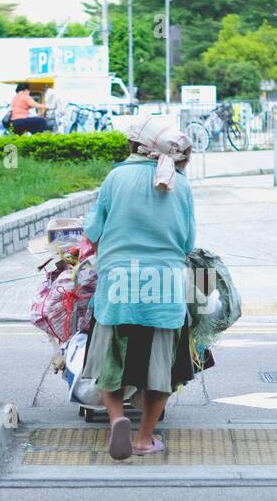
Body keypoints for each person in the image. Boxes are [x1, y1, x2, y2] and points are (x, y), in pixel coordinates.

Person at [81, 116, 197, 461]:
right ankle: (145, 438)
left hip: (118, 283)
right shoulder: (182, 184)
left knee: (109, 361)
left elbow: (93, 229)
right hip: (165, 286)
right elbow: (189, 240)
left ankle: (117, 418)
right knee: (162, 369)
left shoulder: (116, 177)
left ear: (136, 145)